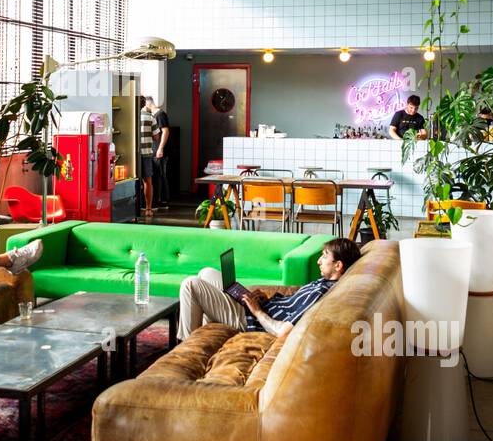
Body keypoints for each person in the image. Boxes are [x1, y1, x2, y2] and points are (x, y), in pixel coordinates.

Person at [176, 237, 361, 339]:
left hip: (249, 320)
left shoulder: (322, 294)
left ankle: (185, 344)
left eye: (324, 257)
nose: (319, 261)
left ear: (338, 265)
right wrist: (263, 299)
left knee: (190, 285)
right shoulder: (324, 282)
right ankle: (206, 328)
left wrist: (257, 312)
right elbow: (290, 303)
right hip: (258, 309)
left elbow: (283, 331)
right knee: (206, 272)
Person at [147, 97, 171, 210]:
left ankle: (162, 201)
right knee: (158, 175)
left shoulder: (160, 115)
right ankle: (161, 201)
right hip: (155, 150)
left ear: (149, 103)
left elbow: (165, 131)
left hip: (158, 151)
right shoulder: (154, 115)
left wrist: (160, 148)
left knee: (159, 175)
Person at [138, 96, 157, 216]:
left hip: (133, 154)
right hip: (146, 153)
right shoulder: (150, 117)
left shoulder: (130, 117)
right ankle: (148, 209)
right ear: (144, 104)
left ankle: (135, 208)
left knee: (134, 181)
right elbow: (156, 137)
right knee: (147, 181)